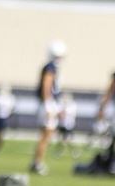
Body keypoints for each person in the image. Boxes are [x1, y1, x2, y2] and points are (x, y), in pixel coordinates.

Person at [31, 39, 66, 175]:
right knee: (46, 135)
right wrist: (49, 105)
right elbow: (47, 86)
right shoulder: (51, 67)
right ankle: (38, 163)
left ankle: (36, 161)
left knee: (45, 135)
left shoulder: (52, 67)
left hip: (50, 103)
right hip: (48, 104)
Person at [0, 84, 16, 153]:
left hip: (5, 117)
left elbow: (12, 108)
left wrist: (9, 114)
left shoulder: (10, 98)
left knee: (1, 133)